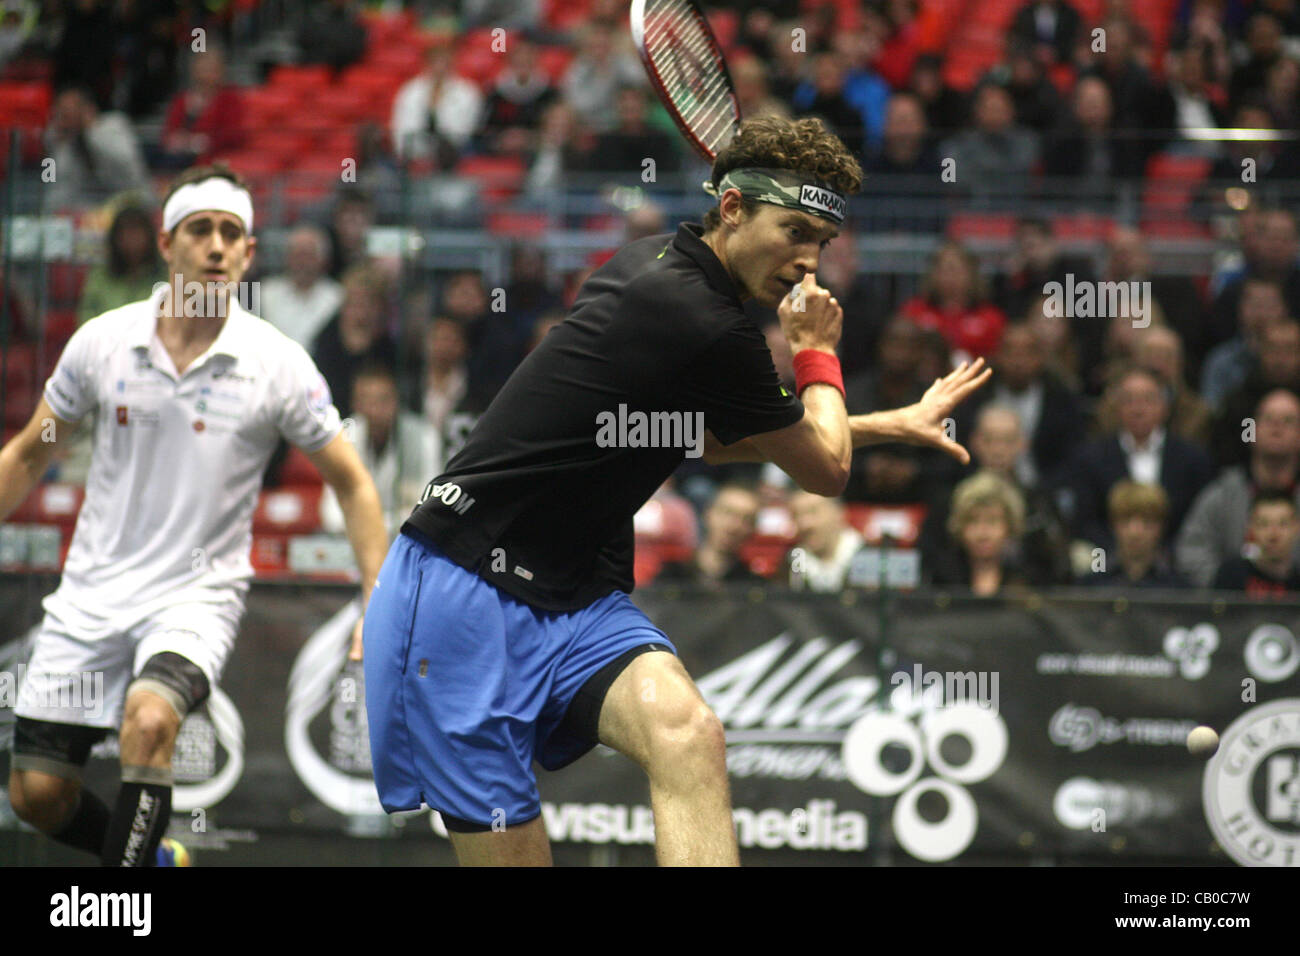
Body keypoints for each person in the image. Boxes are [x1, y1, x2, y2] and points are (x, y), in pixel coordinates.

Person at [362, 115, 991, 867]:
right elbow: (824, 470)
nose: (807, 261)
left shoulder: (660, 270)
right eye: (792, 232)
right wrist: (816, 351)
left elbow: (699, 437)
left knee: (688, 734)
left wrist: (890, 422)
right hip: (461, 595)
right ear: (732, 210)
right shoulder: (697, 316)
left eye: (820, 243)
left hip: (573, 597)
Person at [0, 165, 387, 866]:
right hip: (90, 594)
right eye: (200, 230)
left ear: (247, 254)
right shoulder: (102, 345)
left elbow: (354, 484)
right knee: (36, 794)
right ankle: (152, 860)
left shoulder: (278, 366)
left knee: (150, 721)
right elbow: (31, 454)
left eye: (230, 233)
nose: (215, 246)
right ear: (167, 244)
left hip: (195, 599)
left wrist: (376, 593)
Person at [1079, 480, 1187, 588]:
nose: (1135, 532)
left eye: (1147, 521)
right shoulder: (1090, 585)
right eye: (1125, 521)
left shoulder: (1180, 588)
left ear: (1162, 526)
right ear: (1112, 524)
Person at [77, 203, 166, 326]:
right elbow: (86, 321)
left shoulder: (165, 278)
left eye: (137, 232)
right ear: (115, 238)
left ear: (149, 236)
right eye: (126, 233)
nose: (132, 240)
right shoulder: (99, 278)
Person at [258, 225, 344, 349]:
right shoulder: (263, 293)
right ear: (286, 258)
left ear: (323, 259)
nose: (302, 262)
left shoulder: (338, 297)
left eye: (308, 255)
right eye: (297, 255)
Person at [1212, 491, 1300, 596]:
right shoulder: (1231, 576)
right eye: (1264, 524)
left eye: (1283, 524)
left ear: (1296, 527)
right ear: (1251, 528)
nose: (1273, 534)